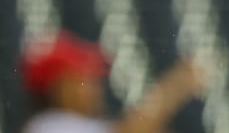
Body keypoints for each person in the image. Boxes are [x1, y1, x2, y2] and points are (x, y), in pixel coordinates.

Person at [17, 31, 205, 133]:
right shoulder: (49, 126)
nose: (95, 87)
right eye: (82, 78)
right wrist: (176, 86)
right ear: (60, 88)